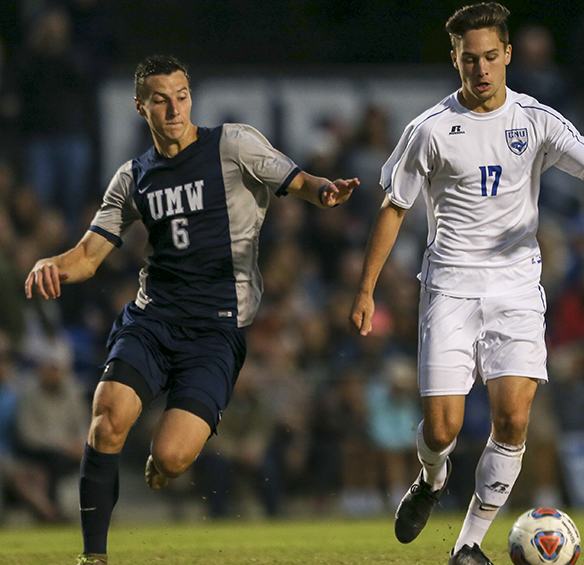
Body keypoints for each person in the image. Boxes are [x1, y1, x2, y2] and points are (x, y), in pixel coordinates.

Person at [23, 55, 358, 565]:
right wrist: (53, 263)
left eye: (180, 95)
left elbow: (299, 180)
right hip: (152, 319)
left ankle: (163, 466)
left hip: (216, 332)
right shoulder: (133, 177)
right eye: (160, 98)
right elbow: (89, 255)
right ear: (141, 106)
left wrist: (325, 192)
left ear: (190, 98)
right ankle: (93, 557)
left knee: (174, 457)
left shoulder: (234, 144)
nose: (173, 107)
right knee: (108, 418)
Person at [349, 4, 584, 564]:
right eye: (467, 60)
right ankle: (431, 480)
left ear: (507, 55)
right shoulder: (429, 129)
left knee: (514, 418)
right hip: (450, 289)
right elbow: (393, 207)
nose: (480, 70)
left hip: (516, 290)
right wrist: (366, 290)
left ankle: (468, 545)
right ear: (454, 59)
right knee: (442, 428)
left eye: (489, 57)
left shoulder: (536, 120)